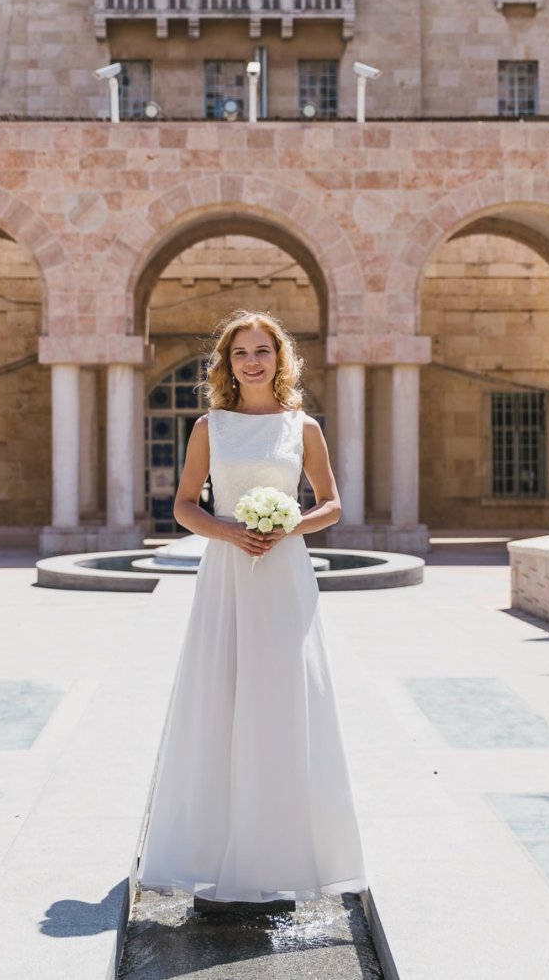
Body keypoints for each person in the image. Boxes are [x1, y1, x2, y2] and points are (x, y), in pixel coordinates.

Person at [135, 309, 368, 910]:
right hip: (228, 572)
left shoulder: (303, 427)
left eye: (264, 350)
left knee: (282, 698)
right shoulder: (210, 427)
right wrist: (228, 533)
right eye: (241, 353)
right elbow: (185, 506)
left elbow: (332, 505)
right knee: (224, 695)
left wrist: (289, 526)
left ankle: (278, 852)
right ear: (227, 364)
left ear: (281, 359)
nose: (253, 361)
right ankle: (216, 853)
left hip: (285, 575)